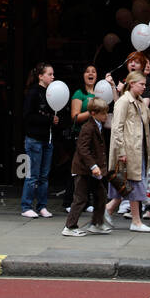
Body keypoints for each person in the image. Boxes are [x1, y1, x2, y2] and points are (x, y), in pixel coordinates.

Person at [105, 71, 150, 232]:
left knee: (128, 185)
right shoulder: (123, 102)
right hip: (129, 151)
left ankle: (107, 211)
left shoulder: (140, 101)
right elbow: (117, 128)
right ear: (132, 83)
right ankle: (135, 221)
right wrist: (121, 151)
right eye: (141, 84)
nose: (144, 87)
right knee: (133, 184)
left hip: (137, 150)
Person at [63, 98, 111, 237]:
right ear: (93, 113)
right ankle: (70, 226)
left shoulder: (98, 125)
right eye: (103, 114)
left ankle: (96, 224)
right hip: (83, 170)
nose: (106, 116)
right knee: (81, 198)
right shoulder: (88, 127)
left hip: (92, 171)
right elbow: (83, 149)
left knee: (101, 195)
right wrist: (94, 166)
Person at [20, 62, 58, 218]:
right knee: (32, 175)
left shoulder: (52, 92)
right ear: (40, 76)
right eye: (49, 74)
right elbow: (28, 116)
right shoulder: (34, 92)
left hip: (47, 139)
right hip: (34, 139)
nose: (53, 77)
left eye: (53, 74)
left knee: (44, 176)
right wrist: (49, 120)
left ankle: (42, 205)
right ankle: (26, 206)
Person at [66, 64, 99, 212]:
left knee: (92, 169)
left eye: (93, 71)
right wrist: (91, 112)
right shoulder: (79, 94)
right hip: (81, 136)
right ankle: (70, 201)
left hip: (96, 137)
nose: (90, 74)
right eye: (87, 72)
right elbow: (75, 117)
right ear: (83, 75)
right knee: (79, 169)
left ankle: (87, 201)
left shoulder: (100, 93)